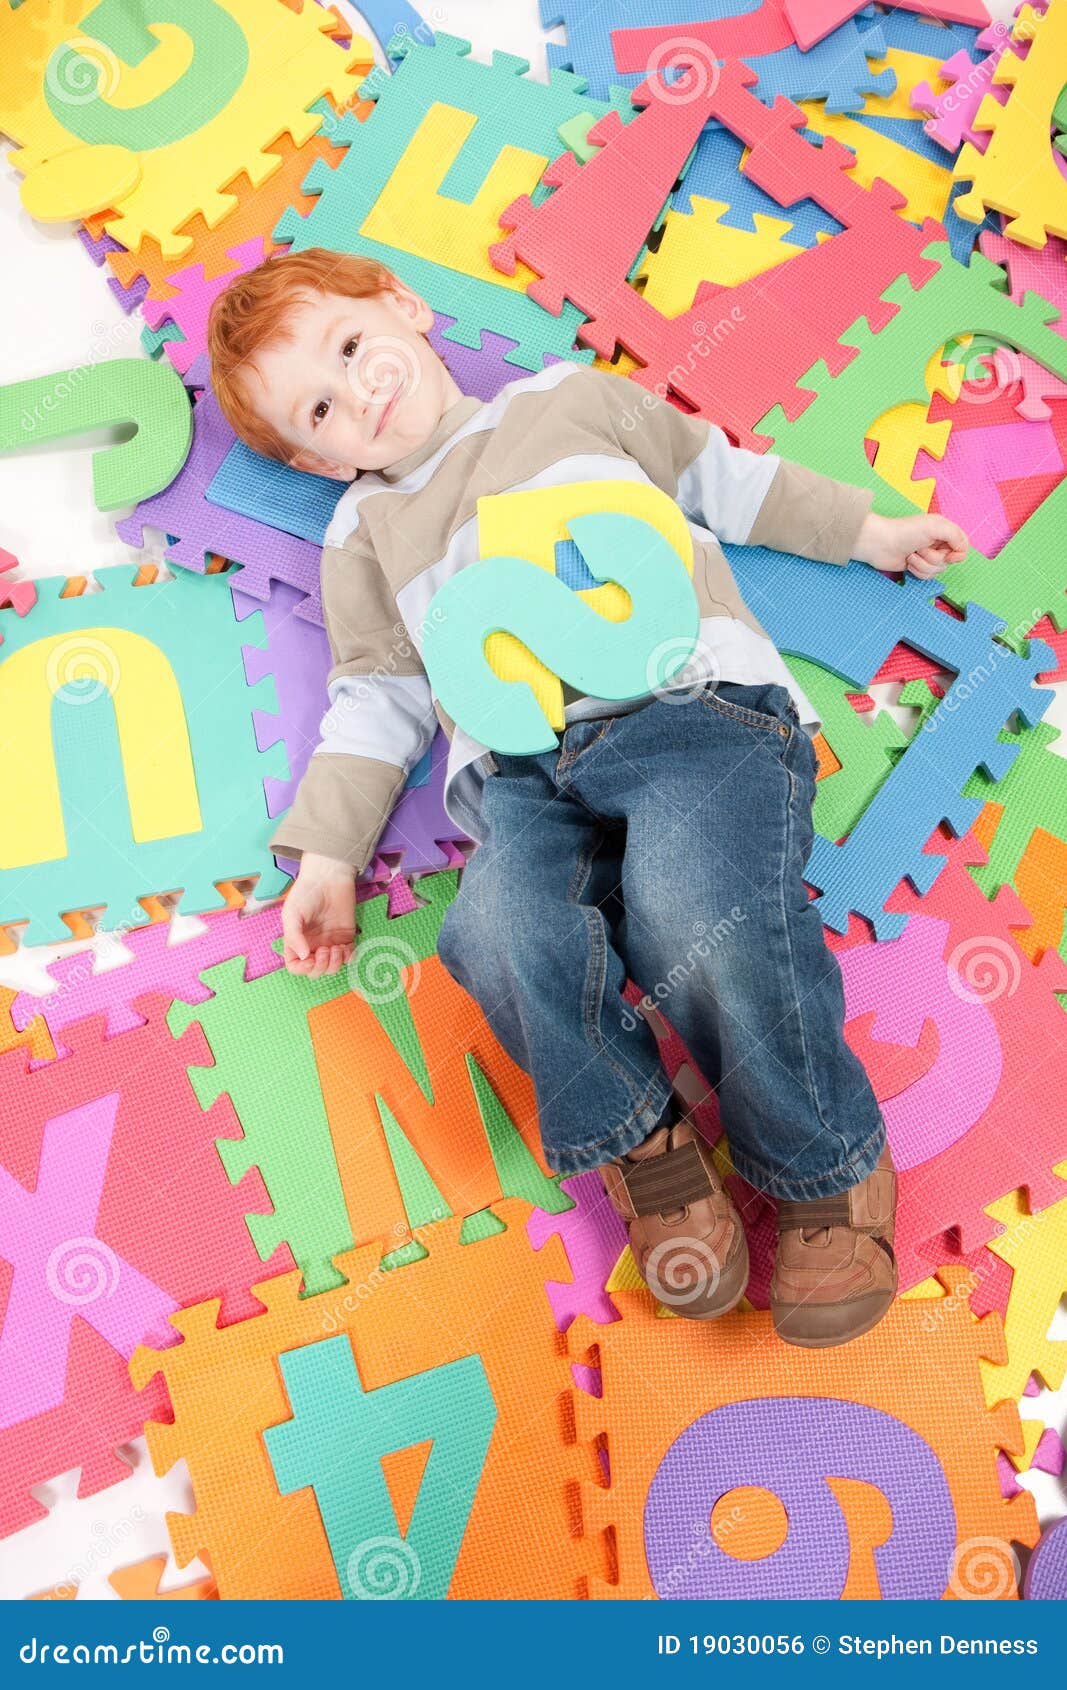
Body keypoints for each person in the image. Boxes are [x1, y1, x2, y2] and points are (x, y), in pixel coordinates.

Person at [208, 249, 969, 1347]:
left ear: (404, 311)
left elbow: (725, 478)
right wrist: (326, 857)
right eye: (318, 407)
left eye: (349, 345)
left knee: (685, 905)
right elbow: (374, 699)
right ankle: (643, 1140)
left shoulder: (568, 397)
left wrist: (870, 532)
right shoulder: (361, 536)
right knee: (495, 929)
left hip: (690, 710)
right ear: (314, 460)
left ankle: (820, 1169)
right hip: (522, 779)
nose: (357, 391)